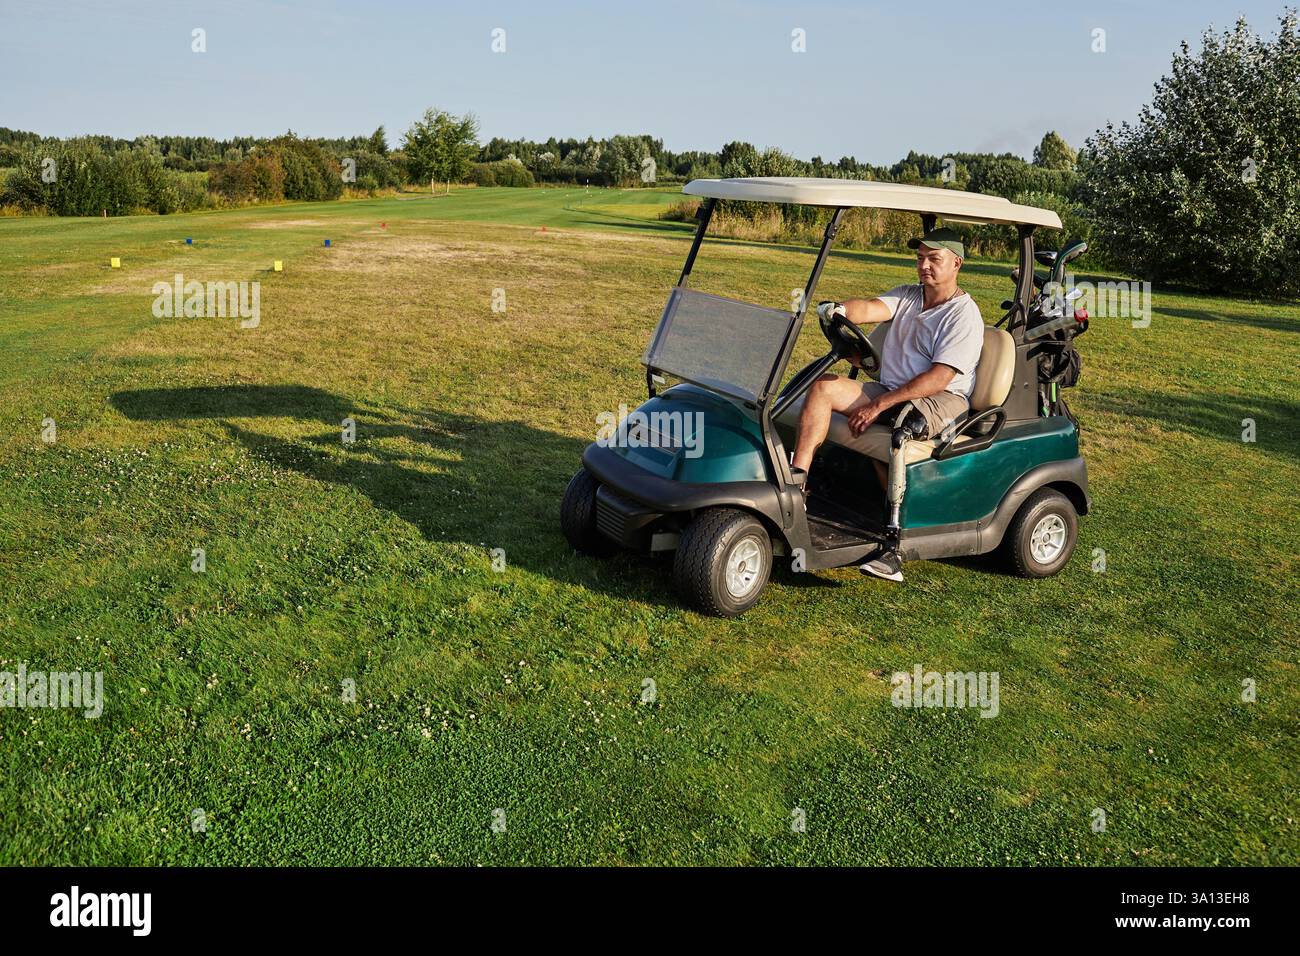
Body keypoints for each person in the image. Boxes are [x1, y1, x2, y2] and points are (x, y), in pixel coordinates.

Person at [791, 227, 985, 581]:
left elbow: (939, 378)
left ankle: (892, 545)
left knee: (901, 430)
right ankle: (796, 487)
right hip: (894, 390)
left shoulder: (963, 316)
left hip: (940, 400)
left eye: (933, 259)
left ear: (956, 263)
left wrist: (877, 407)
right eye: (920, 258)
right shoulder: (909, 296)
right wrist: (840, 309)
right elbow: (871, 308)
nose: (924, 266)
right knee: (822, 389)